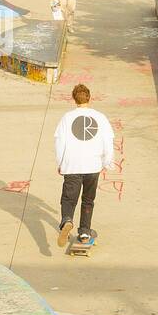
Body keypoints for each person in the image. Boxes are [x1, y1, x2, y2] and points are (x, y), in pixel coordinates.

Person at [55, 84, 115, 251]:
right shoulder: (100, 117)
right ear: (89, 98)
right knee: (88, 199)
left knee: (69, 198)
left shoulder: (67, 118)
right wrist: (107, 162)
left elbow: (60, 142)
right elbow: (108, 140)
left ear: (74, 99)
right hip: (93, 165)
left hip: (72, 165)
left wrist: (61, 163)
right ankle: (84, 233)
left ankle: (67, 220)